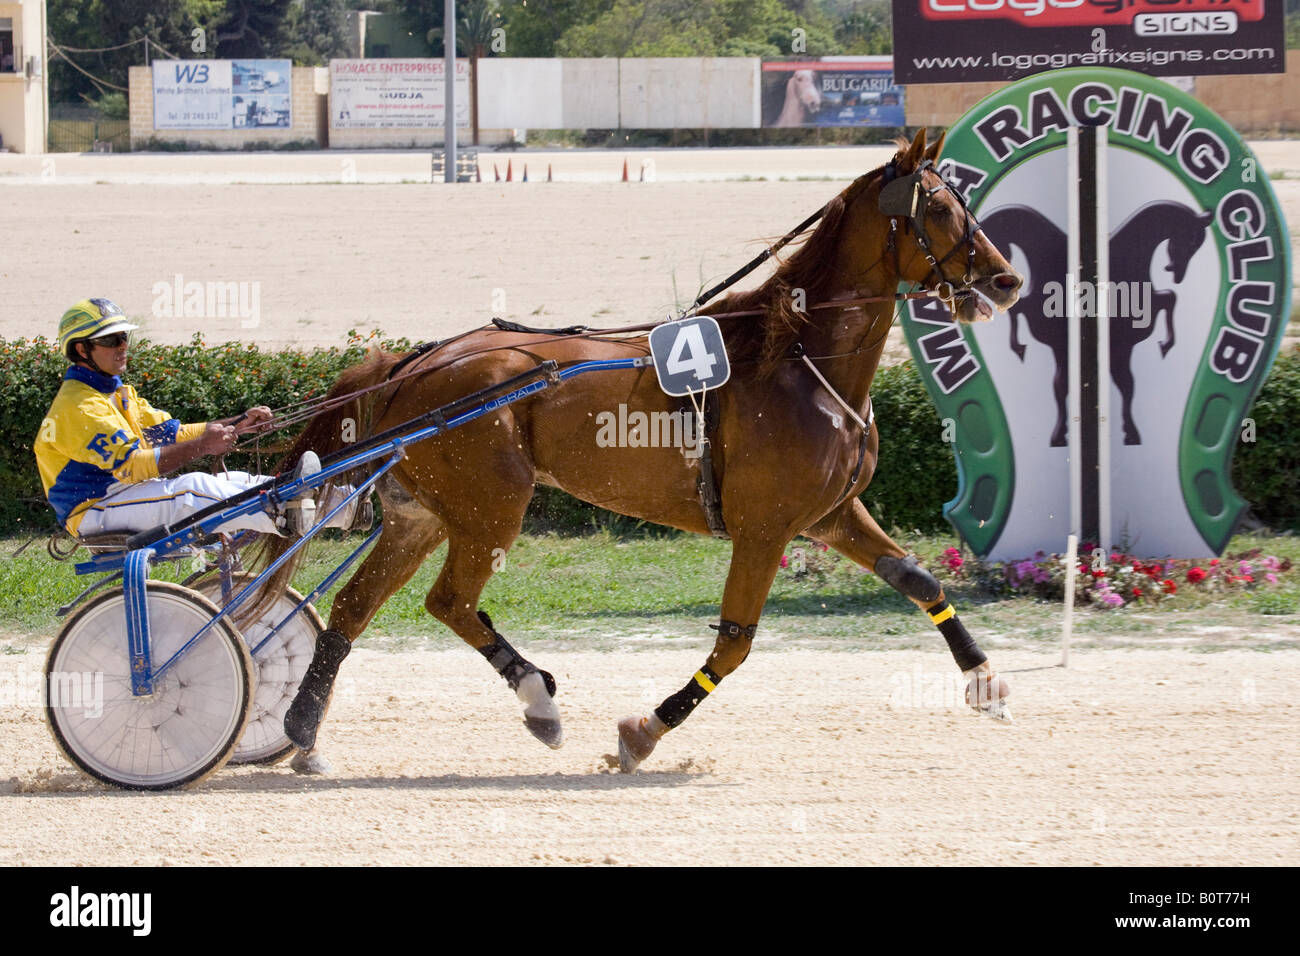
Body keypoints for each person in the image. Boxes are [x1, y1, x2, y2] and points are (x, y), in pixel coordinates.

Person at [34, 297, 357, 540]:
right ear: (81, 350)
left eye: (123, 337)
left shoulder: (116, 393)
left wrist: (236, 423)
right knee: (193, 490)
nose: (122, 346)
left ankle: (347, 505)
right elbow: (133, 466)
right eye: (109, 340)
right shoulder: (80, 407)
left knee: (237, 481)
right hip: (94, 509)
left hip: (124, 494)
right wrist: (203, 446)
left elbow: (168, 433)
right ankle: (284, 513)